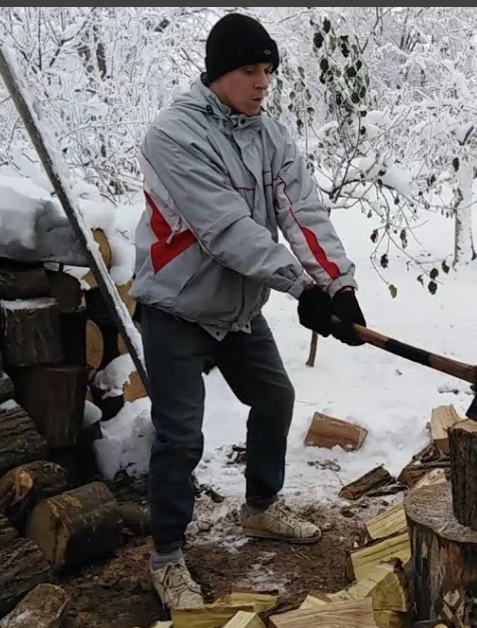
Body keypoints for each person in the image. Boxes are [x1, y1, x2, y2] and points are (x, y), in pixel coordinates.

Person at [129, 12, 367, 610]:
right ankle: (167, 558)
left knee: (276, 397)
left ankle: (260, 507)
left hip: (236, 309)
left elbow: (303, 213)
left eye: (267, 70)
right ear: (218, 73)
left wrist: (337, 286)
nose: (262, 82)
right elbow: (224, 230)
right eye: (248, 70)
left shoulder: (271, 137)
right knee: (181, 435)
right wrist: (299, 287)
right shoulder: (174, 135)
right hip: (176, 308)